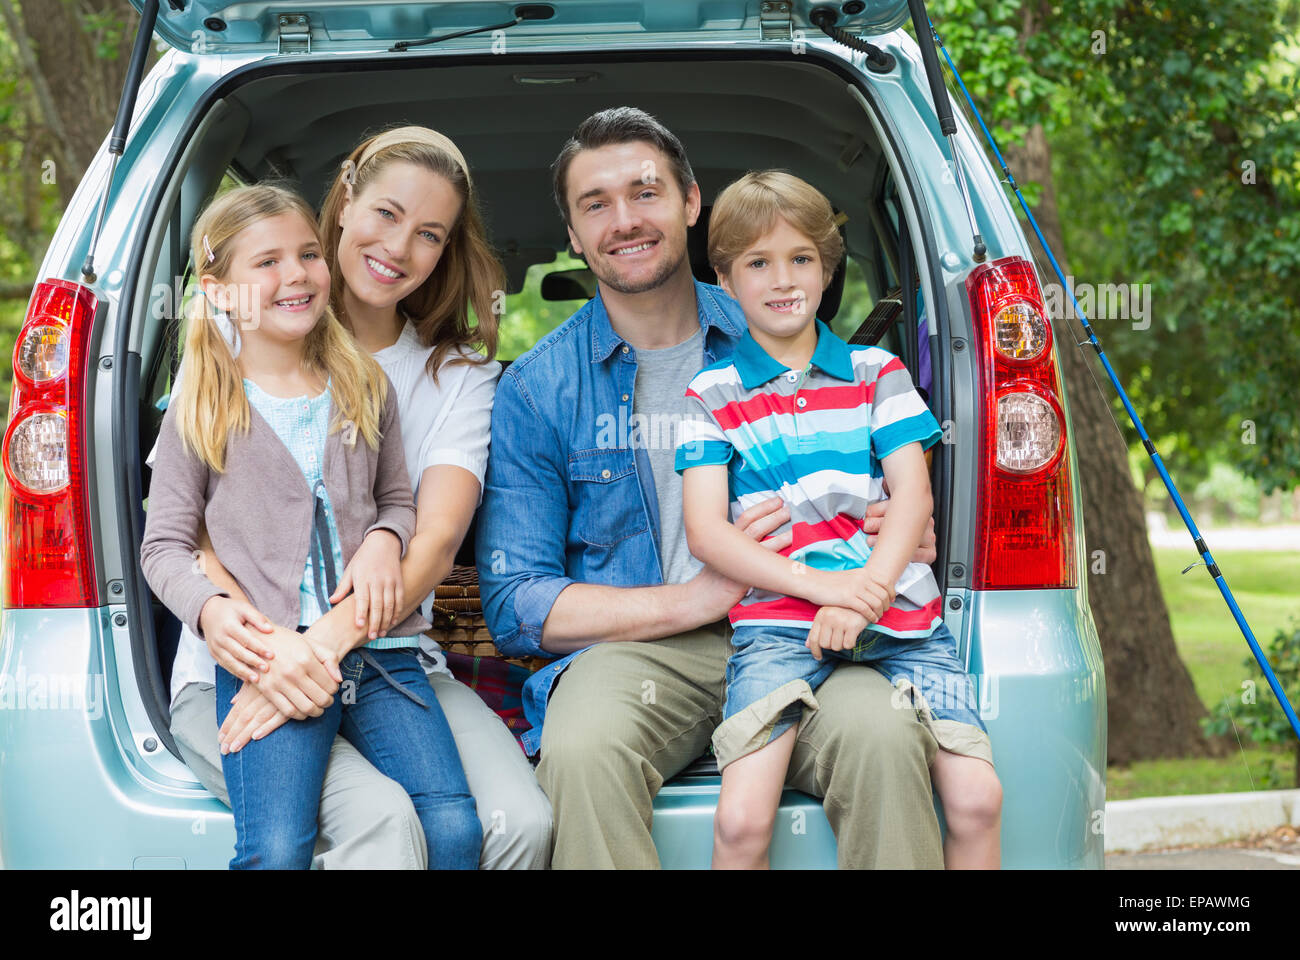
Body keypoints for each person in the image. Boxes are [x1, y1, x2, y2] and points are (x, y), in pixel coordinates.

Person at [477, 106, 948, 869]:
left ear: (692, 203)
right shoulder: (537, 390)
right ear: (571, 231)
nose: (624, 219)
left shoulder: (786, 327)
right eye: (595, 204)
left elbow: (886, 481)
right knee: (584, 750)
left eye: (646, 192)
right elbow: (516, 603)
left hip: (809, 629)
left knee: (886, 736)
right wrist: (698, 598)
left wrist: (898, 535)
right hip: (641, 654)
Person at [159, 127, 552, 870]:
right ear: (343, 203)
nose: (400, 248)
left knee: (517, 823)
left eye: (429, 234)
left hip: (388, 658)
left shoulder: (456, 374)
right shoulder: (234, 333)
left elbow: (431, 538)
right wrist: (279, 657)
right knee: (382, 827)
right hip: (239, 662)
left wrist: (324, 644)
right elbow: (188, 533)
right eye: (386, 213)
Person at [676, 170, 1002, 869]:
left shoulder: (876, 372)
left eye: (801, 259)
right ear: (725, 282)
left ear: (826, 270)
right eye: (757, 263)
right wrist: (828, 592)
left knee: (977, 800)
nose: (783, 278)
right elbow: (707, 533)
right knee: (739, 824)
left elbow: (913, 498)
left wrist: (870, 595)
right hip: (778, 634)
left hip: (907, 627)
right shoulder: (711, 394)